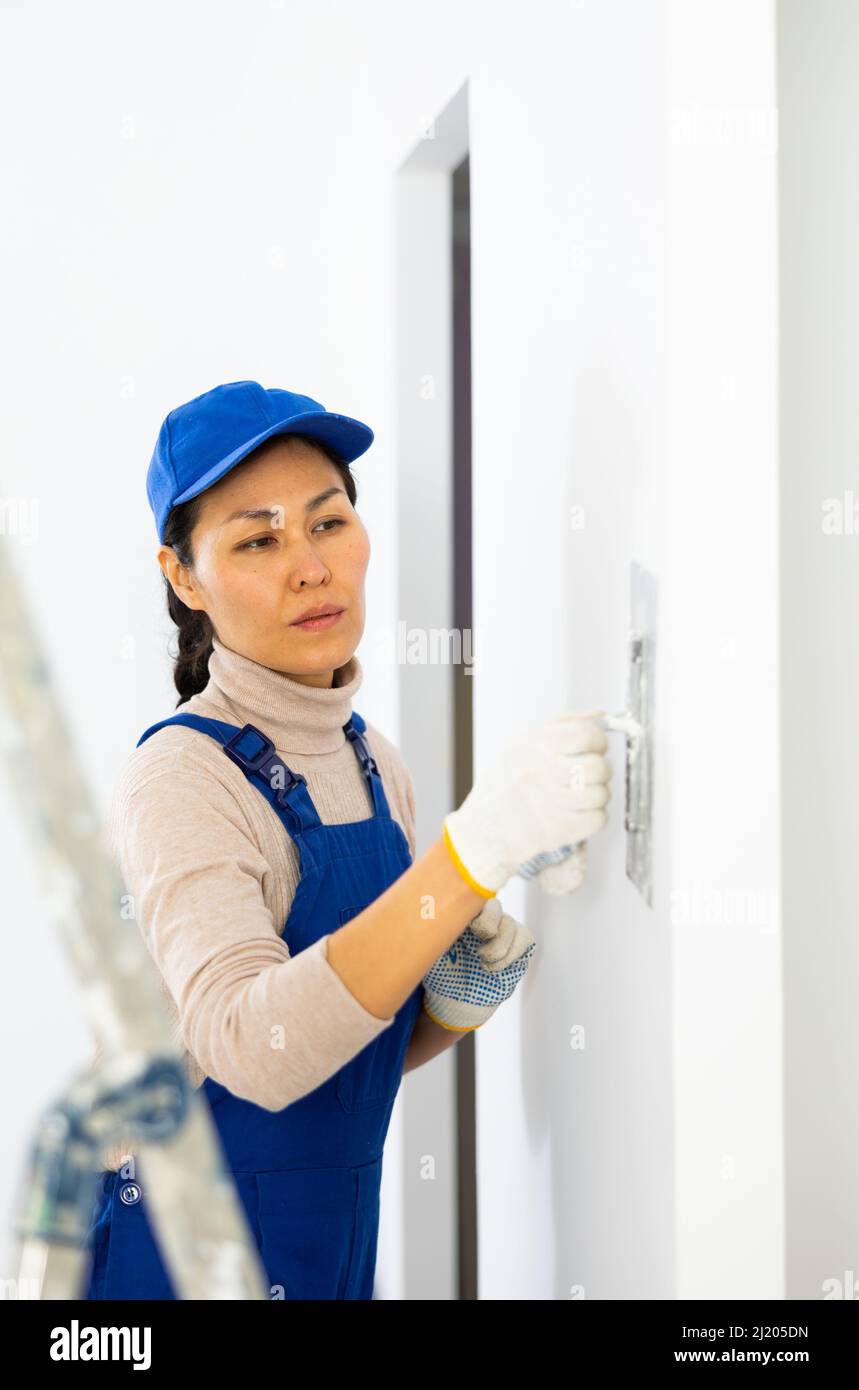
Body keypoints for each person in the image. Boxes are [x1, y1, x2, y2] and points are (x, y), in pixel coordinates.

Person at [79, 380, 612, 1300]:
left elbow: (342, 1047)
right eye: (257, 539)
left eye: (327, 523)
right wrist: (462, 859)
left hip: (329, 1258)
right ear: (183, 576)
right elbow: (252, 1045)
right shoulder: (182, 779)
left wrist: (450, 996)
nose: (310, 567)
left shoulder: (374, 765)